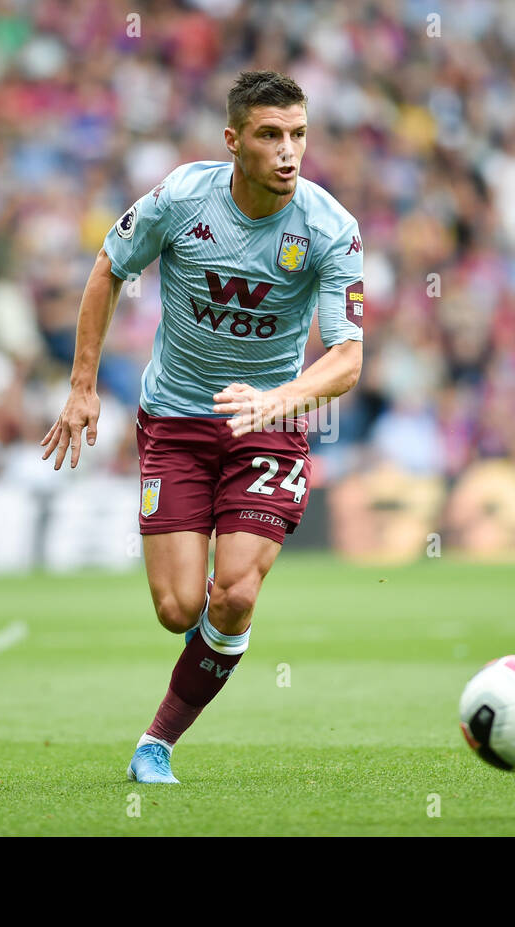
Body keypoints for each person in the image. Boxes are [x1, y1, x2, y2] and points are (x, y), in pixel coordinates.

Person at [41, 70, 365, 783]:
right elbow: (108, 267)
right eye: (270, 135)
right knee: (177, 606)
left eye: (299, 134)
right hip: (177, 420)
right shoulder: (183, 198)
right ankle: (211, 638)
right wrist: (83, 386)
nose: (289, 152)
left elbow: (346, 359)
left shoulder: (329, 228)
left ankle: (156, 741)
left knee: (236, 593)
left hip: (268, 427)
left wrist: (276, 403)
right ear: (233, 141)